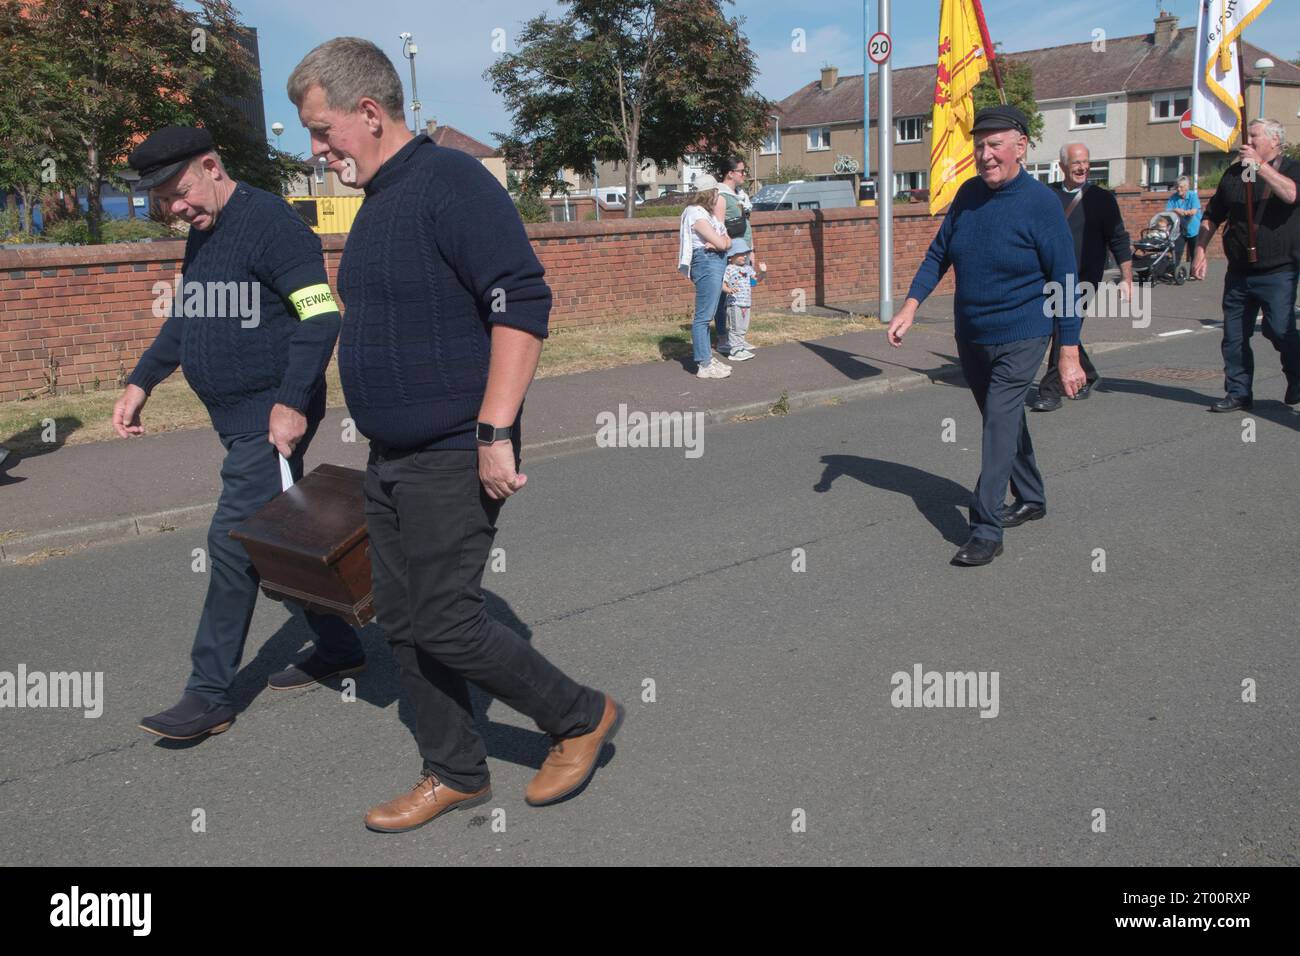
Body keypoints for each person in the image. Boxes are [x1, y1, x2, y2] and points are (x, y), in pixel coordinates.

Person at [288, 37, 622, 832]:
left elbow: (522, 303)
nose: (316, 148)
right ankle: (456, 772)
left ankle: (578, 716)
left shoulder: (451, 183)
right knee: (401, 622)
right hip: (391, 454)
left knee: (444, 618)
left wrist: (495, 430)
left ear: (369, 113)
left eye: (320, 128)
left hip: (453, 447)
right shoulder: (378, 203)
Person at [115, 127, 363, 741]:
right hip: (239, 421)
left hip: (270, 421)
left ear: (211, 165)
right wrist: (141, 380)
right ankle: (338, 644)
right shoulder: (205, 234)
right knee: (277, 539)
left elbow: (319, 315)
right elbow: (191, 315)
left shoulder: (270, 223)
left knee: (231, 544)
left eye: (181, 193)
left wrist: (289, 400)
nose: (176, 209)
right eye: (164, 202)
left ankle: (208, 695)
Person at [887, 105, 1081, 567]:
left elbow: (1067, 281)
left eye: (995, 144)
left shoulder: (1040, 204)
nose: (985, 154)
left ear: (1021, 146)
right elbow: (939, 253)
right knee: (1005, 420)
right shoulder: (969, 195)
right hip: (971, 334)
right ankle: (1031, 496)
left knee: (997, 422)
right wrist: (911, 305)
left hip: (1023, 332)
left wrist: (1068, 352)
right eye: (979, 145)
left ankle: (985, 528)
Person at [1192, 118, 1300, 412]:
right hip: (1239, 271)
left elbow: (1291, 194)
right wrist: (1200, 249)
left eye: (1254, 138)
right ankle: (1238, 392)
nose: (1246, 144)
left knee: (1279, 329)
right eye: (1247, 138)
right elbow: (1212, 215)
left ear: (1275, 141)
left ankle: (1297, 374)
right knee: (1234, 335)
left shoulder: (1292, 169)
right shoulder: (1233, 174)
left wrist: (1259, 166)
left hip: (1279, 270)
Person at [1030, 141, 1132, 412]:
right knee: (1064, 326)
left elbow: (1119, 239)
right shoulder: (1046, 195)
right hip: (1048, 276)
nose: (1083, 167)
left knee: (1058, 328)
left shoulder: (1102, 199)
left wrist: (1127, 278)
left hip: (1083, 278)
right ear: (1062, 165)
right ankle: (1088, 373)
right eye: (1076, 163)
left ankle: (1049, 390)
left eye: (1086, 162)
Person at [677, 174, 733, 378]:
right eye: (716, 191)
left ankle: (707, 358)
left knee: (706, 315)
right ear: (711, 192)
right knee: (703, 317)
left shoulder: (705, 213)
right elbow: (720, 243)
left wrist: (722, 242)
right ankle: (704, 364)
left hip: (713, 261)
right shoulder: (695, 213)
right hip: (707, 263)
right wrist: (721, 242)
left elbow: (727, 241)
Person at [713, 157, 753, 357]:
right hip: (728, 252)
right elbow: (718, 226)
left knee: (740, 295)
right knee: (724, 295)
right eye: (741, 171)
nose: (744, 175)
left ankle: (738, 337)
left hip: (742, 250)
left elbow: (746, 225)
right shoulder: (721, 195)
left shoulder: (740, 195)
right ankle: (723, 338)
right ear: (730, 173)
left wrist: (751, 250)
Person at [721, 238, 766, 361]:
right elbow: (723, 285)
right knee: (735, 327)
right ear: (731, 256)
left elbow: (756, 280)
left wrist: (763, 272)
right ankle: (735, 351)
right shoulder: (729, 268)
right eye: (740, 254)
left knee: (743, 327)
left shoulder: (747, 268)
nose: (744, 256)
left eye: (745, 254)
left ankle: (740, 347)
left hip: (746, 303)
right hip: (734, 303)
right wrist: (729, 290)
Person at [1165, 174, 1201, 276]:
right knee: (1177, 250)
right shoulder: (1173, 197)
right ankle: (1174, 272)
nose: (1178, 189)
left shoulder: (1193, 195)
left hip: (1194, 229)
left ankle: (1194, 273)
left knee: (1194, 252)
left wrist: (1185, 212)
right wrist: (1175, 210)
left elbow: (1194, 211)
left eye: (1181, 187)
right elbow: (1167, 210)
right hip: (1180, 229)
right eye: (1177, 187)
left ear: (1186, 187)